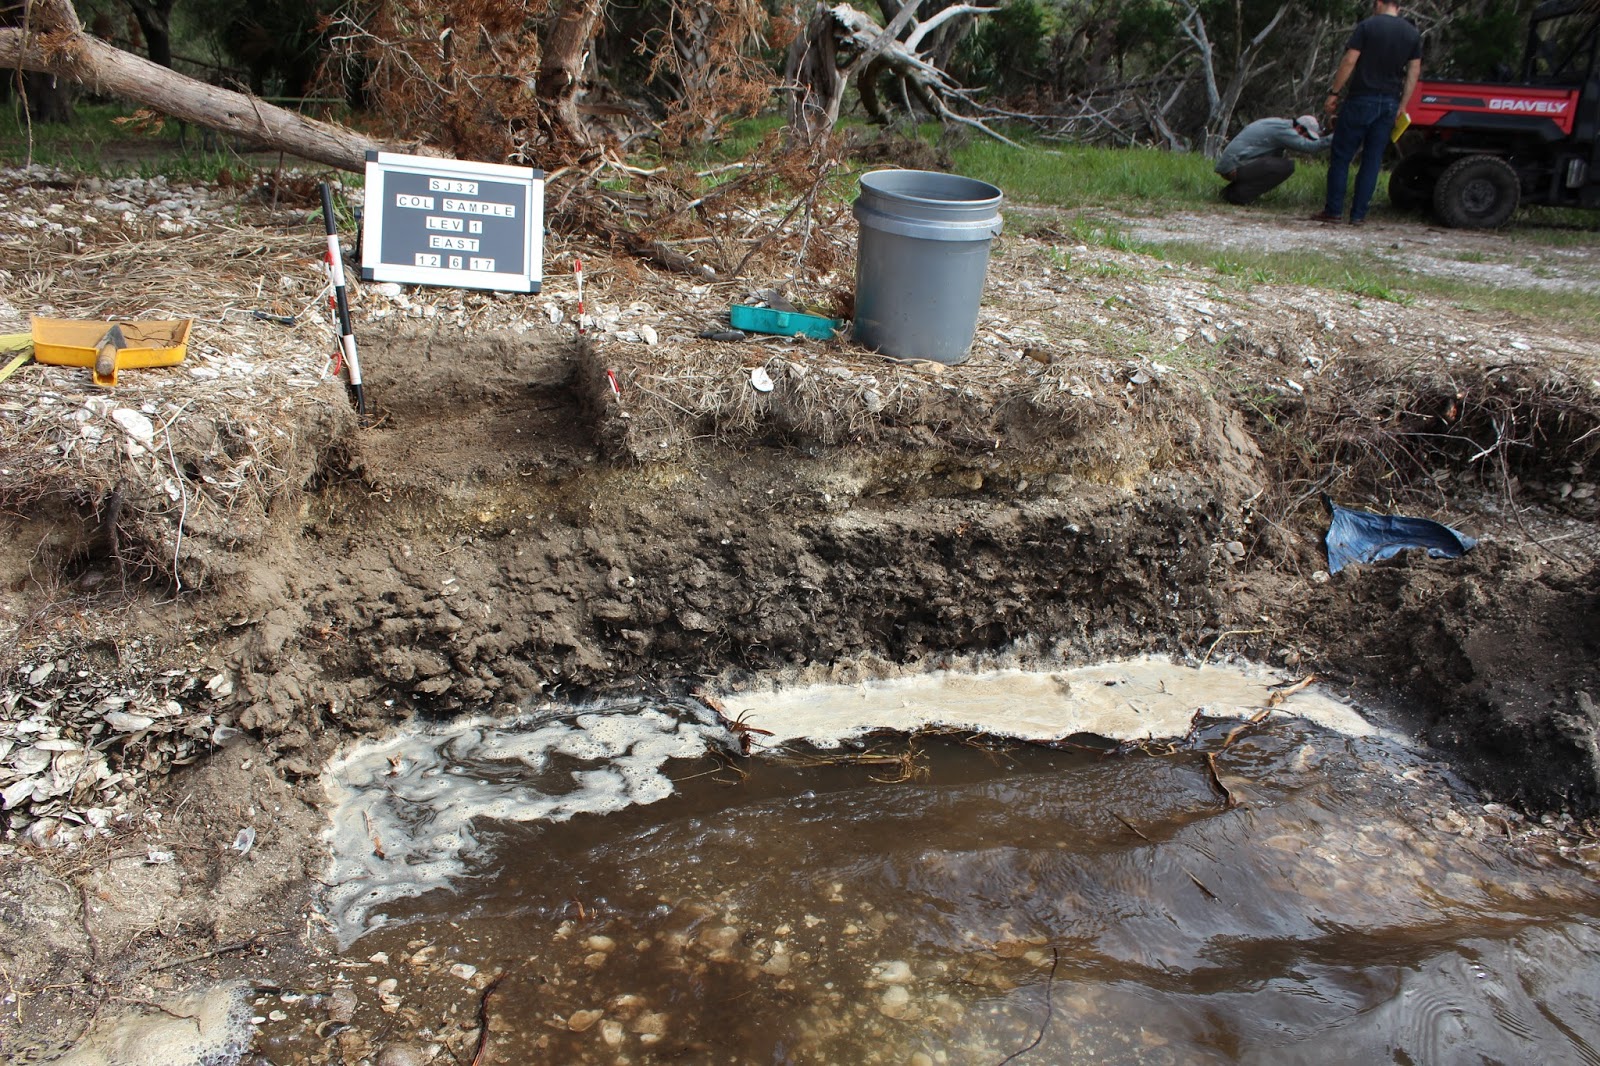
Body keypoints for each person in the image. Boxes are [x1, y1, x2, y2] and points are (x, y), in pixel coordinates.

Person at [1314, 0, 1422, 226]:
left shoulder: (1368, 26)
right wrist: (1403, 104)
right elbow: (1413, 72)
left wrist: (1334, 92)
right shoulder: (1412, 33)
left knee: (1342, 156)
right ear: (1398, 6)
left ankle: (1334, 210)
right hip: (1389, 102)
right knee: (1372, 160)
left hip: (1361, 98)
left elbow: (1350, 60)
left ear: (1379, 3)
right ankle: (1358, 214)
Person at [1215, 115, 1331, 205]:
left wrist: (1327, 132)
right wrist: (1336, 136)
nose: (1307, 139)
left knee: (1277, 161)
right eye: (1308, 136)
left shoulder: (1278, 124)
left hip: (1233, 163)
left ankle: (1232, 193)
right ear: (1299, 129)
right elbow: (1310, 147)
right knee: (1286, 166)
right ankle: (1238, 196)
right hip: (1234, 166)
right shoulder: (1284, 131)